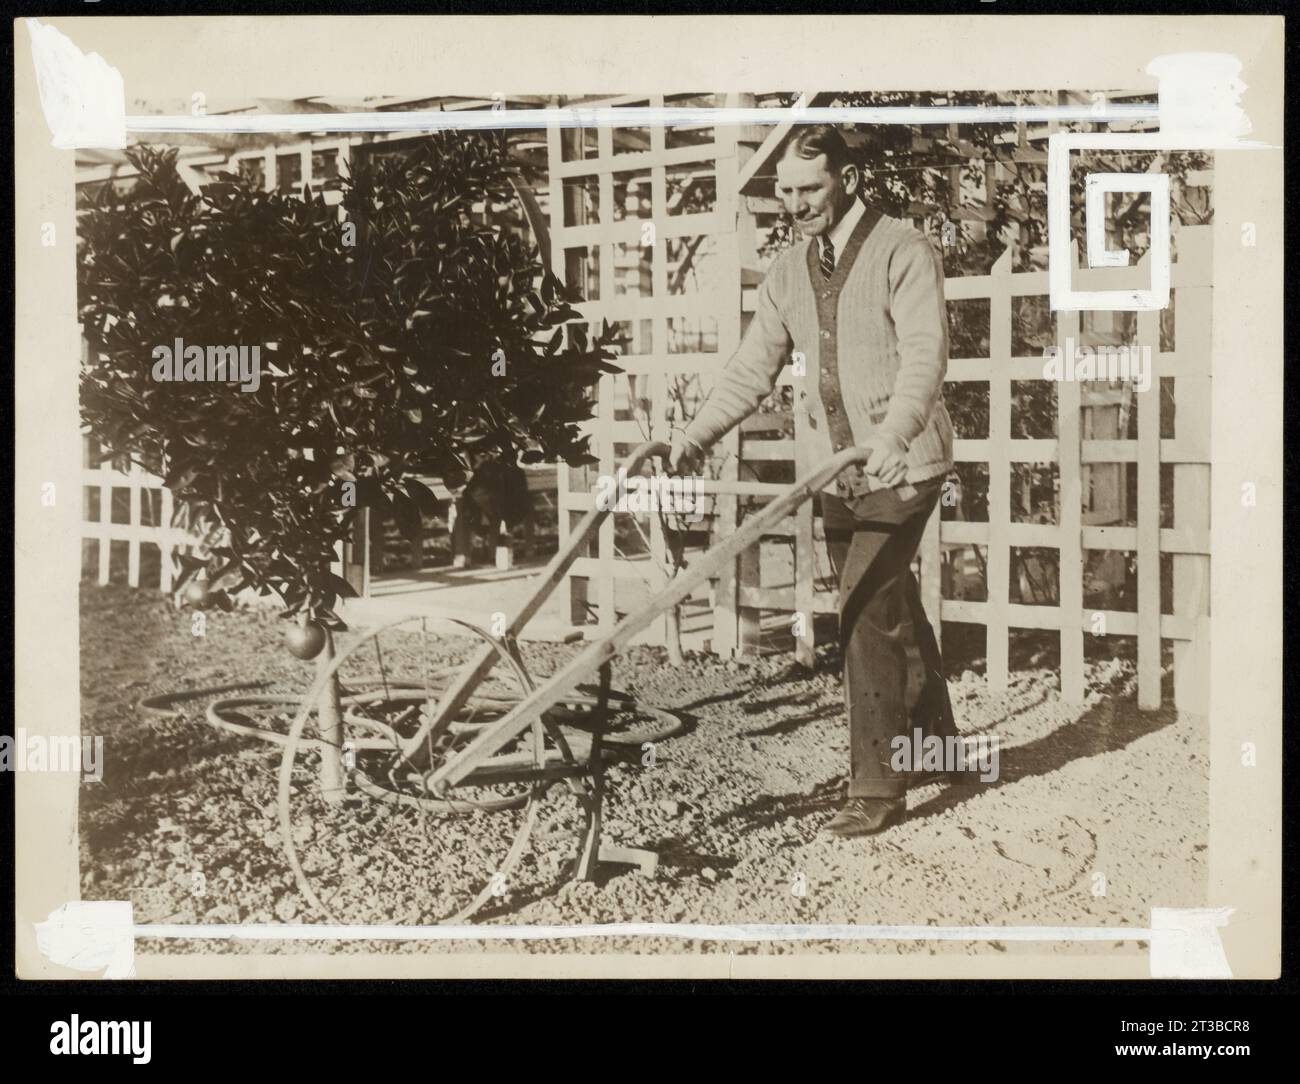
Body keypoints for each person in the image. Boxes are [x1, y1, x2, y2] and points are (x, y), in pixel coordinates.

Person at [668, 124, 957, 837]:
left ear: (848, 180)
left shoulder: (902, 249)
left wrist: (893, 433)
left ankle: (876, 789)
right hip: (837, 468)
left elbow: (925, 353)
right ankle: (940, 741)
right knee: (889, 602)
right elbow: (750, 367)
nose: (795, 205)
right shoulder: (787, 271)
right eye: (785, 192)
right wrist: (694, 434)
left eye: (810, 189)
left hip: (903, 461)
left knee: (862, 608)